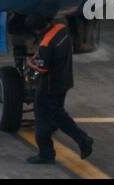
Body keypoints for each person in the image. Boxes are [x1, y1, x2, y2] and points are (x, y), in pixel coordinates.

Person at [25, 15, 94, 164]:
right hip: (64, 82)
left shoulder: (45, 44)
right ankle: (81, 140)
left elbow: (42, 69)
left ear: (37, 30)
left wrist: (30, 64)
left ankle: (47, 153)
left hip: (49, 87)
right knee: (57, 114)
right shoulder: (62, 31)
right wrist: (42, 55)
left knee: (43, 118)